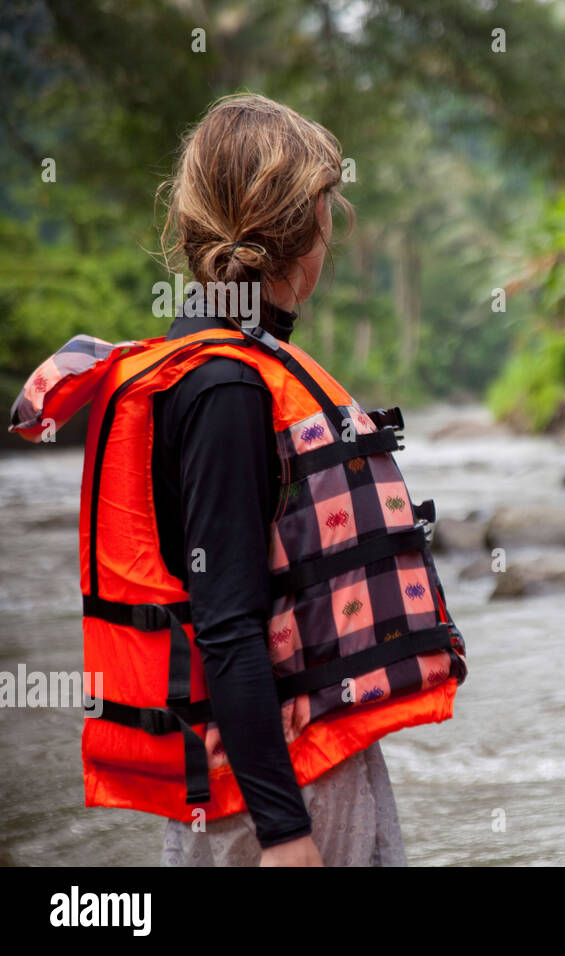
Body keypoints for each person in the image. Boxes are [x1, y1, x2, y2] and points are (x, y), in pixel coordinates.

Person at [10, 94, 466, 867]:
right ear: (305, 235)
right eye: (327, 209)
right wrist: (287, 837)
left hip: (259, 779)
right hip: (279, 792)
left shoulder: (214, 371)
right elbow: (227, 628)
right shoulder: (228, 389)